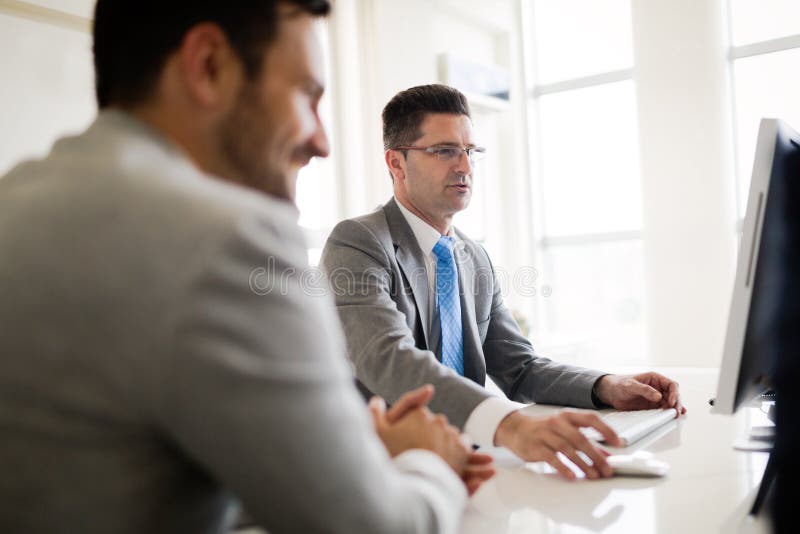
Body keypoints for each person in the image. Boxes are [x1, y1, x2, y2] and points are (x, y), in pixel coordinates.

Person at [0, 4, 492, 534]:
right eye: (307, 95)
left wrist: (336, 452)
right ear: (208, 65)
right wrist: (430, 459)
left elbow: (127, 472)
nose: (320, 141)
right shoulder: (228, 237)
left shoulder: (18, 202)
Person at [321, 83, 687, 480]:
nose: (464, 166)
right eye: (444, 151)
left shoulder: (474, 258)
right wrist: (509, 425)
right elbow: (387, 358)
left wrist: (606, 386)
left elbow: (520, 368)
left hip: (469, 464)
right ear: (396, 163)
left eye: (470, 151)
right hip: (382, 471)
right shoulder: (358, 242)